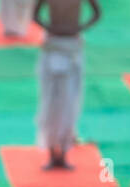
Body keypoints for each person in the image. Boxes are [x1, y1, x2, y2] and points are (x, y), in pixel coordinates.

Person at [33, 0, 101, 170]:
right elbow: (35, 15)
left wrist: (79, 28)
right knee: (50, 103)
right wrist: (50, 28)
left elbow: (96, 13)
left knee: (69, 103)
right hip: (53, 45)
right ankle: (51, 153)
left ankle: (63, 153)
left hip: (72, 46)